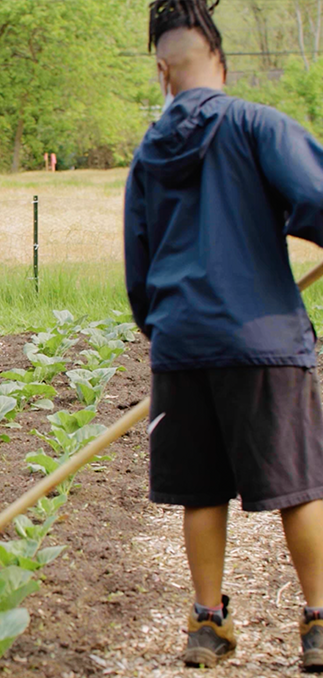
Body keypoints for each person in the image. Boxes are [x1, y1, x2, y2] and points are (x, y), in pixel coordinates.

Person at [124, 0, 323, 670]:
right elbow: (317, 199)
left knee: (202, 491)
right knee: (299, 484)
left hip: (183, 345)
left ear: (163, 73)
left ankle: (207, 626)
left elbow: (138, 269)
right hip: (264, 338)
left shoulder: (149, 153)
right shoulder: (257, 124)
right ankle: (319, 623)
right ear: (221, 62)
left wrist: (167, 330)